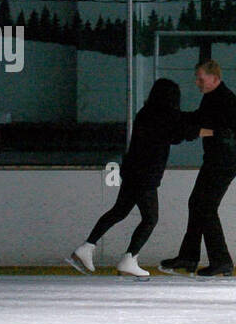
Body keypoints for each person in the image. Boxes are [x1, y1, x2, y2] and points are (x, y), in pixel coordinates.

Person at [67, 78, 197, 278]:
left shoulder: (146, 113)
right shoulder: (162, 116)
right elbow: (178, 134)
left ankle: (87, 247)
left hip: (133, 170)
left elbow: (177, 127)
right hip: (146, 172)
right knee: (150, 218)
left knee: (119, 211)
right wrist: (201, 129)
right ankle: (129, 258)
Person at [161, 59, 236, 277]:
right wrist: (176, 118)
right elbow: (200, 120)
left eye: (201, 78)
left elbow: (233, 132)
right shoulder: (212, 98)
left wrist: (191, 128)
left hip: (224, 162)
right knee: (198, 204)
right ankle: (189, 258)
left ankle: (220, 261)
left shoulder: (225, 100)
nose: (197, 81)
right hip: (218, 161)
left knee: (205, 207)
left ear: (215, 78)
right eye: (197, 77)